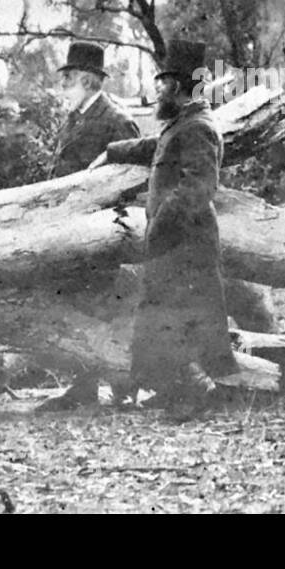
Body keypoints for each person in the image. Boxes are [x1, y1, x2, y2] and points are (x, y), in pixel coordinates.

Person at [104, 39, 236, 417]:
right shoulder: (184, 123)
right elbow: (157, 147)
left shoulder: (198, 127)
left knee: (177, 320)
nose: (158, 89)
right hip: (175, 240)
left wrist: (161, 225)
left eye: (162, 83)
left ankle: (196, 394)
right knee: (163, 317)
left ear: (177, 86)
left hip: (185, 241)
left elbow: (198, 186)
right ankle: (174, 389)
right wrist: (114, 151)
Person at [48, 41, 140, 178]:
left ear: (87, 82)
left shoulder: (119, 123)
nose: (62, 83)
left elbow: (131, 179)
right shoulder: (72, 118)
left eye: (68, 77)